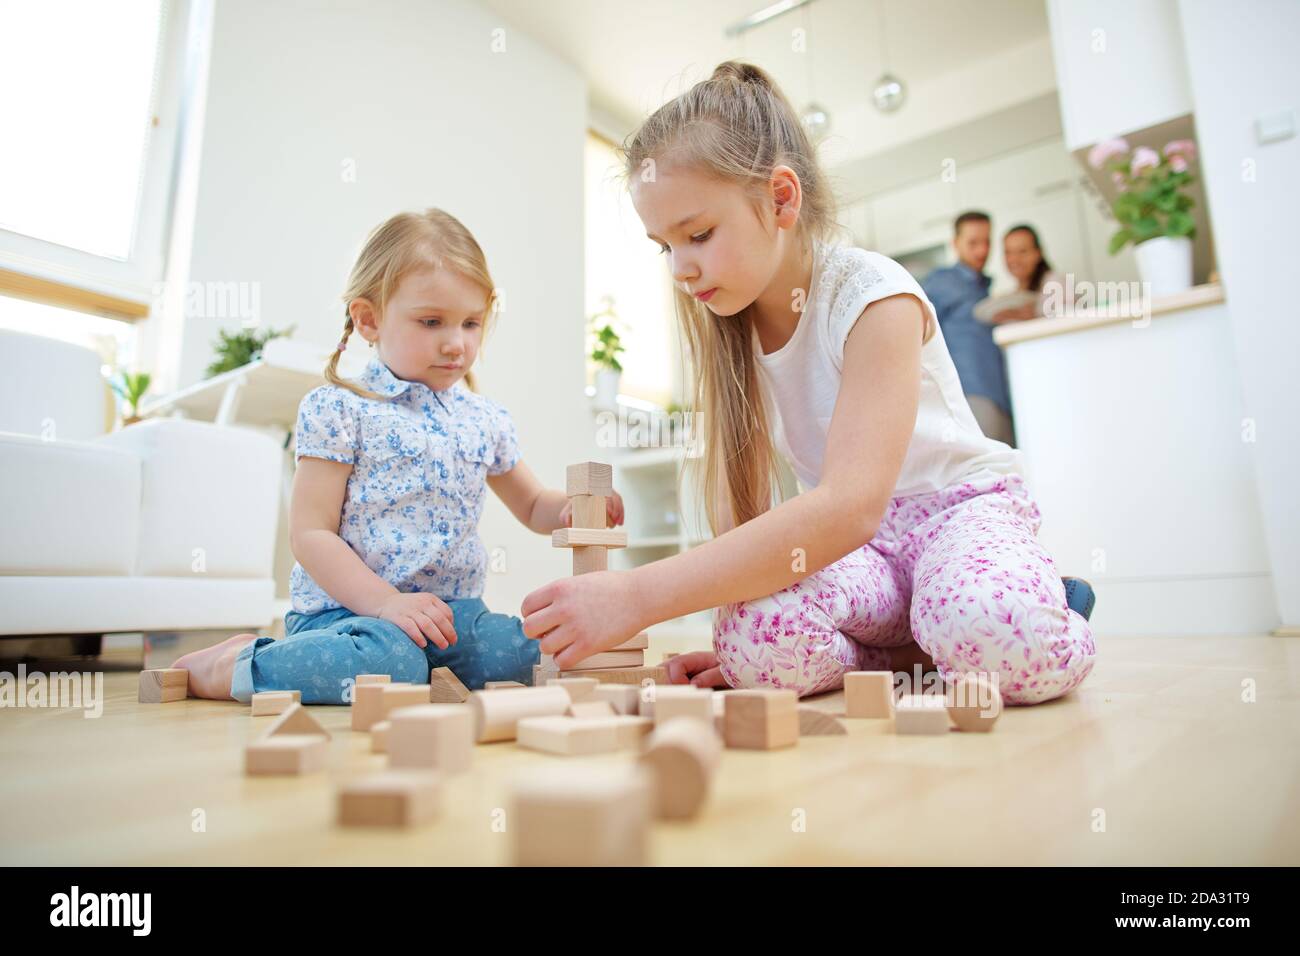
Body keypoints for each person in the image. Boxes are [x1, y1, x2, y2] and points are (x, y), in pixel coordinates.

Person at [519, 62, 1095, 705]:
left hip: (954, 518)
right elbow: (795, 537)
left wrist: (635, 596)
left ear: (782, 199)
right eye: (665, 247)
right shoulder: (730, 327)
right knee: (752, 633)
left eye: (699, 234)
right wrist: (748, 640)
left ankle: (1047, 602)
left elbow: (848, 505)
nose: (681, 268)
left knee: (990, 631)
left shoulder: (874, 296)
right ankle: (916, 647)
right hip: (868, 560)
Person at [174, 208, 624, 702]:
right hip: (350, 614)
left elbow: (533, 504)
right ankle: (236, 664)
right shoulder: (341, 408)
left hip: (452, 616)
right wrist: (385, 603)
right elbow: (310, 533)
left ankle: (422, 671)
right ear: (368, 319)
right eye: (432, 321)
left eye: (471, 323)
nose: (456, 342)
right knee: (391, 662)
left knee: (517, 651)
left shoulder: (485, 420)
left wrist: (571, 509)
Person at [921, 212, 1015, 445]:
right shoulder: (942, 282)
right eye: (973, 243)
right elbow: (917, 336)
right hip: (971, 395)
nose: (982, 250)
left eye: (987, 242)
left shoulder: (982, 287)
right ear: (955, 244)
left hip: (1000, 396)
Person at [974, 223, 1067, 325]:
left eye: (1022, 251)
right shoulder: (1013, 298)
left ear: (1038, 253)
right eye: (1008, 252)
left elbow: (1058, 324)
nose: (1014, 259)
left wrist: (1029, 315)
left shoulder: (1056, 283)